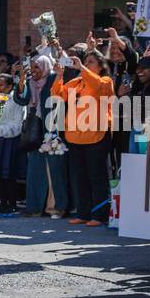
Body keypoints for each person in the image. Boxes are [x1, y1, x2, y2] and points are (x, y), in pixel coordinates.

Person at [52, 45, 114, 226]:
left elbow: (98, 86)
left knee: (97, 176)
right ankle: (83, 213)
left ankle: (100, 215)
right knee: (80, 177)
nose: (85, 64)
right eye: (85, 61)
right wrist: (59, 75)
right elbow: (56, 95)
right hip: (75, 137)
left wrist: (81, 68)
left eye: (90, 62)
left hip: (97, 136)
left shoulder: (105, 80)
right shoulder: (77, 83)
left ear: (101, 65)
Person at [23, 54, 70, 218]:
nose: (34, 70)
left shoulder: (51, 79)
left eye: (37, 67)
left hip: (52, 131)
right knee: (35, 171)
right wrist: (21, 80)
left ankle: (57, 207)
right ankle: (35, 208)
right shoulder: (29, 82)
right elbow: (20, 100)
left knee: (54, 170)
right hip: (35, 133)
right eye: (33, 67)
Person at [0, 71, 30, 213]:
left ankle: (12, 203)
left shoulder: (15, 101)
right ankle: (1, 202)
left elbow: (18, 124)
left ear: (11, 86)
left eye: (2, 86)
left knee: (9, 173)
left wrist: (1, 130)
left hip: (11, 140)